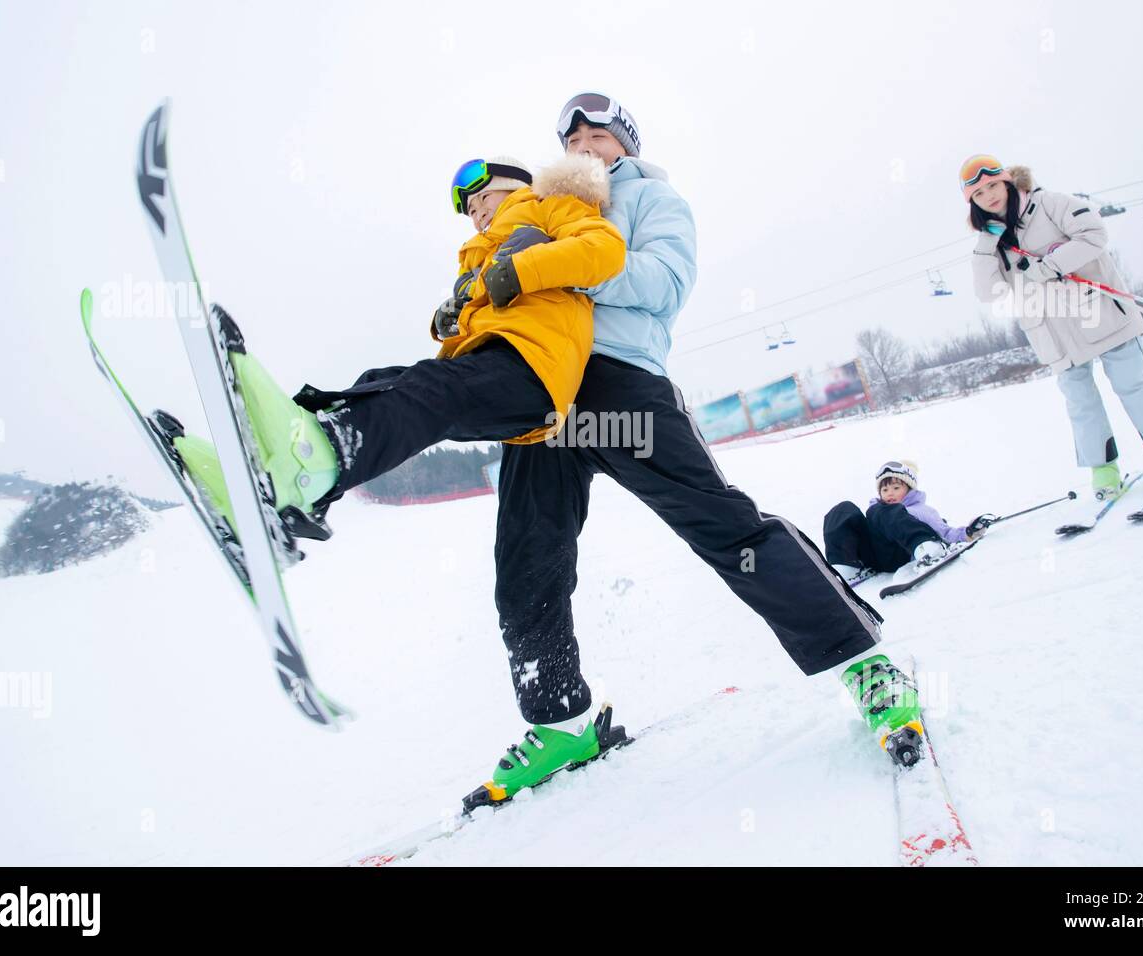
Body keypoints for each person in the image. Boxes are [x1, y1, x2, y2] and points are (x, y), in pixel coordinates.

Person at [475, 92, 918, 807]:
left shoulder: (653, 201)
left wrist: (567, 264)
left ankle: (864, 665)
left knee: (728, 532)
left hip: (623, 391)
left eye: (599, 134)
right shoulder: (544, 209)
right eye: (573, 139)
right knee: (526, 557)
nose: (585, 146)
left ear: (625, 142)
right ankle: (562, 723)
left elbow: (662, 284)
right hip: (547, 401)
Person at [166, 153, 626, 546]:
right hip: (496, 363)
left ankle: (308, 469)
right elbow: (485, 312)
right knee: (380, 382)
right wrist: (449, 316)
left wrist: (519, 271)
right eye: (469, 210)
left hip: (536, 371)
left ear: (514, 186)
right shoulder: (478, 255)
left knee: (431, 389)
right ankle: (269, 477)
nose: (476, 213)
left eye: (483, 199)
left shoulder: (549, 207)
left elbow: (604, 249)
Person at [964, 154, 1143, 499]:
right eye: (979, 194)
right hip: (1054, 335)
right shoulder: (991, 243)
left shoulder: (1050, 204)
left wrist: (1048, 266)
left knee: (1134, 385)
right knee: (1081, 403)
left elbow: (1094, 234)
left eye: (993, 185)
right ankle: (1104, 469)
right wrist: (985, 243)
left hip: (1100, 314)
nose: (989, 196)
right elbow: (987, 292)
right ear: (972, 202)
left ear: (1007, 180)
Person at [823, 460, 981, 582]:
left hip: (901, 552)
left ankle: (925, 547)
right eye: (885, 490)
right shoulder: (877, 511)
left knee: (884, 511)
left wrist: (967, 533)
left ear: (909, 490)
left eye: (896, 488)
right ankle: (847, 566)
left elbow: (945, 531)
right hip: (875, 556)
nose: (890, 493)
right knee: (843, 509)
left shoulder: (920, 510)